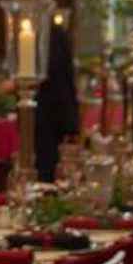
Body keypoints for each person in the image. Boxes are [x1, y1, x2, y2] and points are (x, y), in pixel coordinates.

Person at [34, 25, 79, 182]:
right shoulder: (53, 32)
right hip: (55, 112)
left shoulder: (50, 35)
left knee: (47, 168)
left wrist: (15, 83)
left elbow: (46, 70)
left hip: (50, 114)